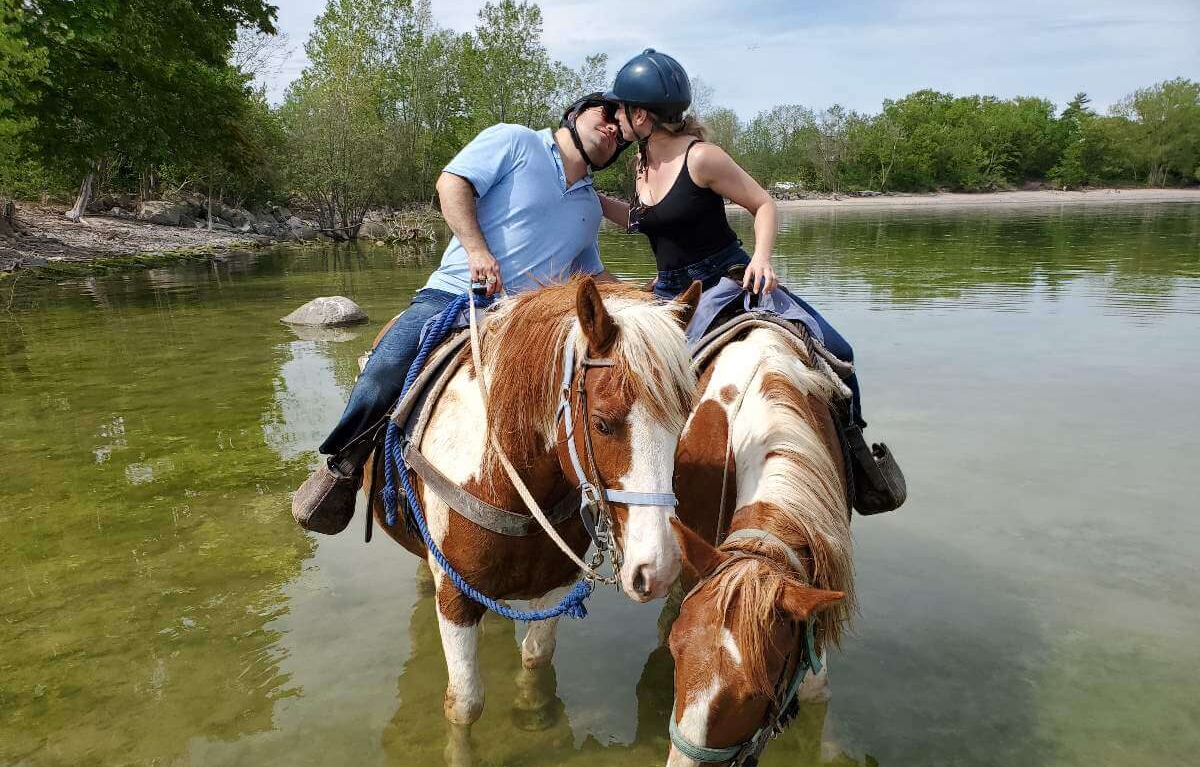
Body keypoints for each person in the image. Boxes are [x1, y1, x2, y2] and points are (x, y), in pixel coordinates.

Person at [292, 94, 631, 534]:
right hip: (456, 295)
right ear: (575, 112)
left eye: (623, 134)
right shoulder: (515, 141)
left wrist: (649, 299)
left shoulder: (589, 206)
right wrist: (476, 251)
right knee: (386, 369)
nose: (612, 129)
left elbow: (593, 272)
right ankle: (344, 466)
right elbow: (451, 183)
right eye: (607, 114)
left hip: (525, 322)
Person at [599, 49, 905, 514]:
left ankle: (857, 460)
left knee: (838, 352)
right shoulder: (639, 163)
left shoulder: (702, 158)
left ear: (640, 115)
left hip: (728, 277)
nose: (614, 118)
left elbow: (763, 204)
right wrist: (590, 197)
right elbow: (641, 222)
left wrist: (762, 258)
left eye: (618, 109)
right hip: (670, 291)